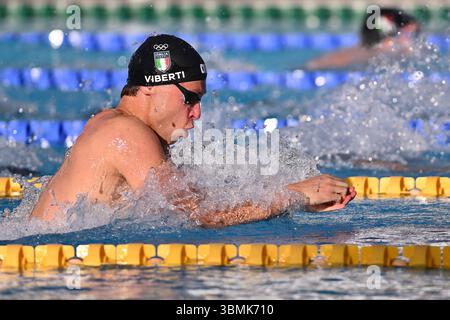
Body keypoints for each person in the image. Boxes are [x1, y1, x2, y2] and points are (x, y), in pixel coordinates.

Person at [31, 34, 356, 227]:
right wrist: (292, 194)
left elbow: (192, 199)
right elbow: (202, 215)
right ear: (150, 89)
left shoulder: (112, 123)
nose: (197, 113)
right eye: (190, 99)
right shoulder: (125, 133)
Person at [305, 7, 421, 70]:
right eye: (410, 35)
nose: (412, 41)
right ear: (389, 37)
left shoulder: (344, 53)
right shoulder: (381, 54)